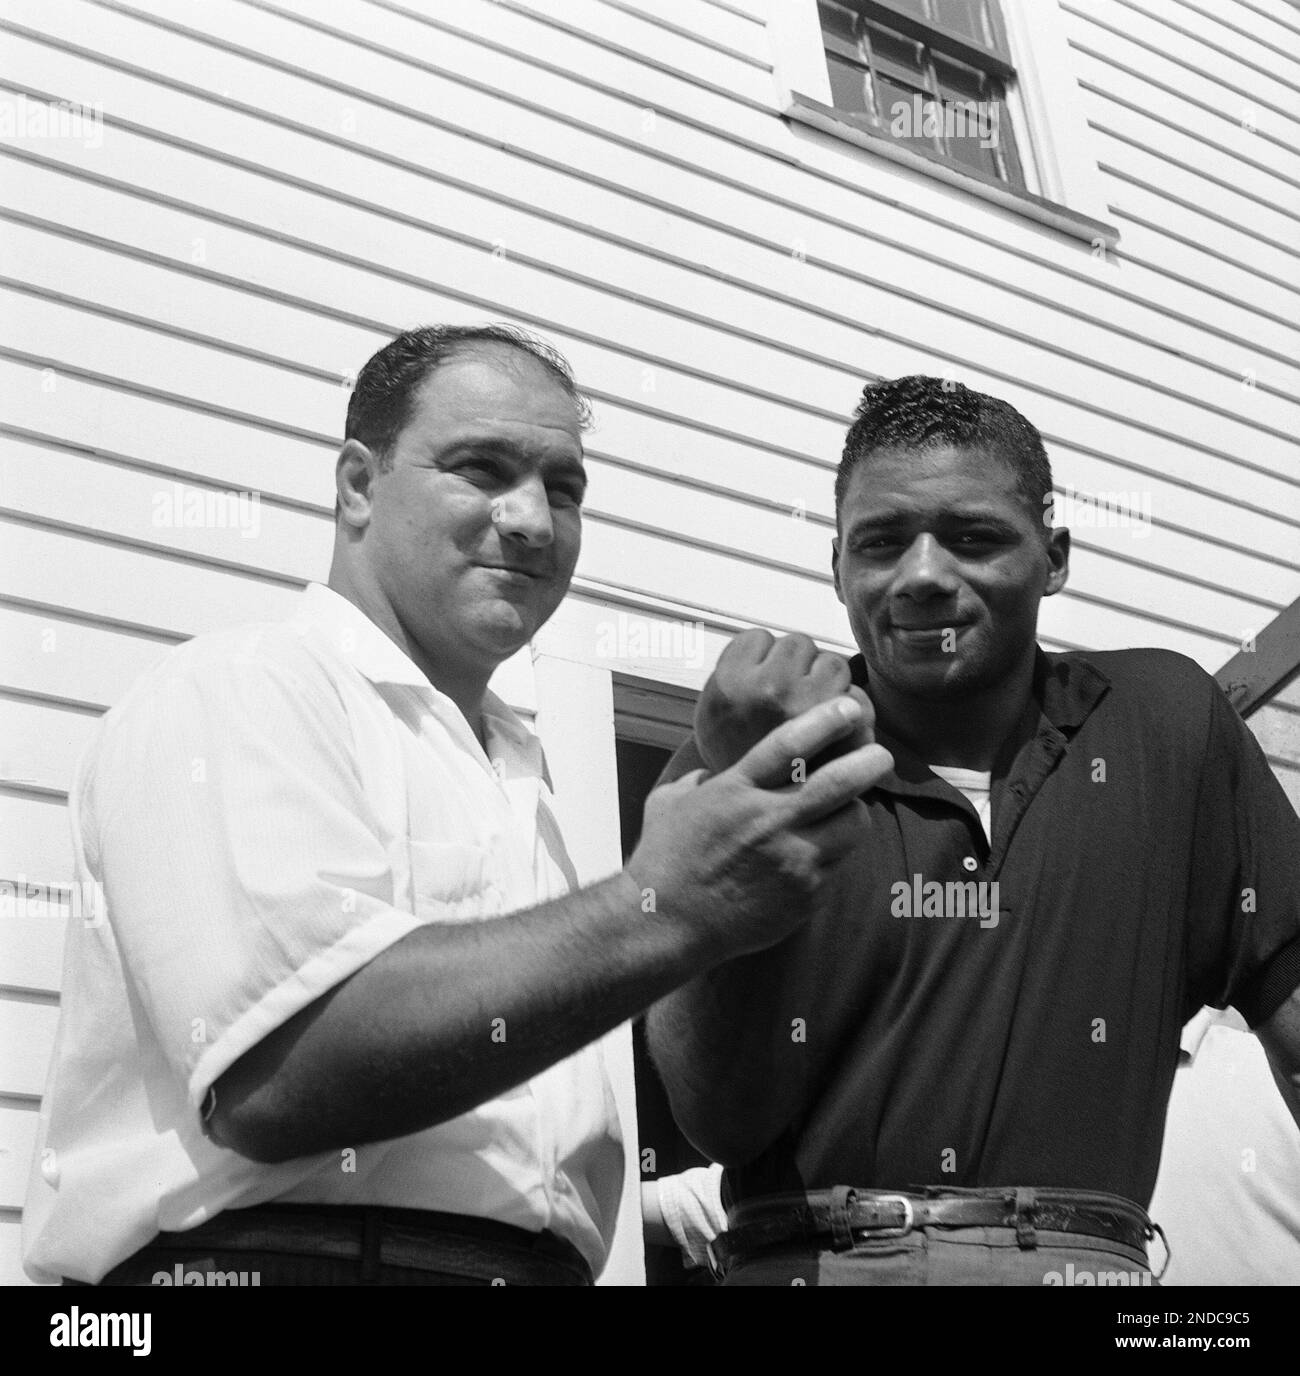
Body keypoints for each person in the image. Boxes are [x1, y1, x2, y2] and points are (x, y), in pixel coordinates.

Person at [22, 323, 893, 1287]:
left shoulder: (516, 772)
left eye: (564, 488)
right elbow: (285, 1075)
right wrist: (671, 903)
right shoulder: (242, 688)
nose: (531, 520)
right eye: (482, 468)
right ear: (357, 484)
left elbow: (526, 1169)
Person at [646, 375, 1300, 1286]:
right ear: (838, 566)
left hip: (1085, 1271)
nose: (921, 575)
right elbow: (716, 1117)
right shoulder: (756, 752)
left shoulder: (1166, 724)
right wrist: (738, 791)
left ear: (1055, 555)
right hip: (812, 1260)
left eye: (974, 536)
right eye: (882, 543)